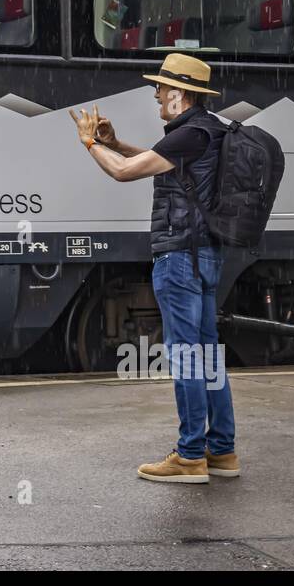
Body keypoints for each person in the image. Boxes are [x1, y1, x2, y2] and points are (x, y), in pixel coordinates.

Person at [70, 53, 236, 485]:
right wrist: (114, 141)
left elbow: (126, 172)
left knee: (186, 357)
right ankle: (222, 450)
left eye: (161, 88)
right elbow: (154, 159)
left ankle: (189, 456)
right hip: (207, 255)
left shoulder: (188, 135)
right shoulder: (210, 130)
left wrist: (90, 144)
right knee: (208, 354)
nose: (157, 96)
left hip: (179, 256)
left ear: (179, 94)